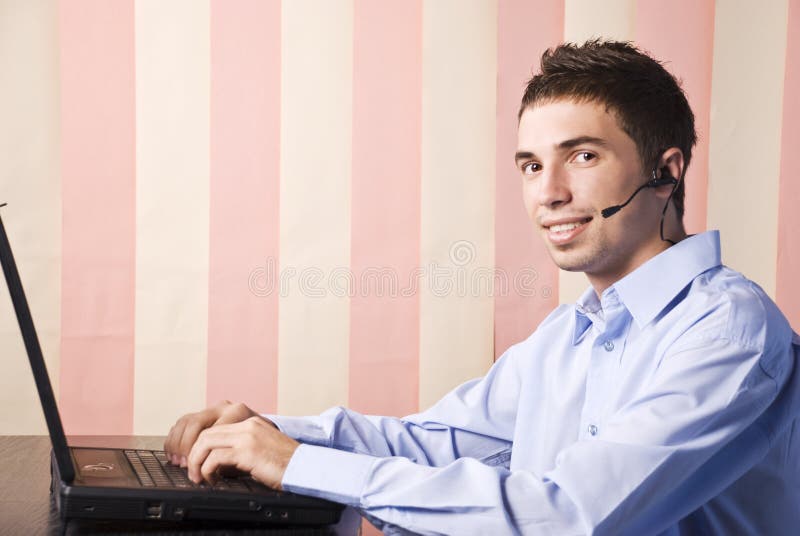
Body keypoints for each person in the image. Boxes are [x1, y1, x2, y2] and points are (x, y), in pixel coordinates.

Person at [164, 40, 800, 534]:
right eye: (531, 165)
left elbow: (570, 516)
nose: (548, 193)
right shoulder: (575, 330)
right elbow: (435, 441)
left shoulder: (728, 333)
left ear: (665, 172)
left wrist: (299, 463)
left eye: (582, 157)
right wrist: (271, 433)